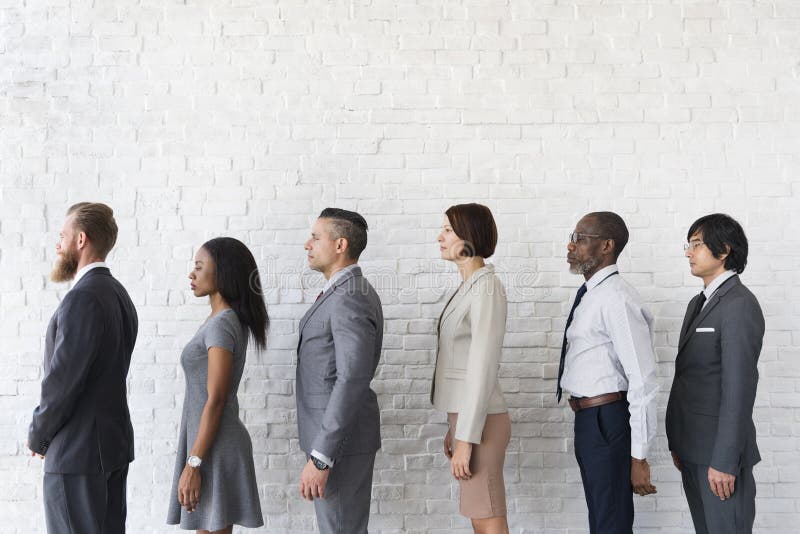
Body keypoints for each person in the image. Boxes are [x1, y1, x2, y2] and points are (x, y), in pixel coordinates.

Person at [27, 202, 138, 534]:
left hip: (78, 455)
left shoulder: (83, 298)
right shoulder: (119, 294)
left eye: (62, 236)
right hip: (111, 448)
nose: (57, 245)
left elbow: (62, 382)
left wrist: (39, 436)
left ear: (81, 239)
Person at [557, 211, 659, 534]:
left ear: (606, 246)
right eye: (572, 238)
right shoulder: (592, 295)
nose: (571, 246)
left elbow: (643, 379)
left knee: (610, 522)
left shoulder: (616, 298)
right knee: (602, 519)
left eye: (579, 239)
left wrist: (639, 456)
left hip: (606, 420)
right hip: (590, 419)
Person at [666, 213, 764, 534]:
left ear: (723, 250)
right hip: (692, 449)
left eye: (696, 244)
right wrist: (678, 441)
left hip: (719, 459)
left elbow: (739, 390)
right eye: (688, 244)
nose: (688, 252)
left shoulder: (739, 304)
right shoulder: (698, 303)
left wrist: (724, 460)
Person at [166, 237, 268, 533]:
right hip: (209, 445)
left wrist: (193, 463)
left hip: (215, 448)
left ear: (223, 272)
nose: (192, 274)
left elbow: (217, 399)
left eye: (199, 267)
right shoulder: (219, 320)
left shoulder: (222, 324)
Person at [295, 208, 384, 534]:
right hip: (334, 440)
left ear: (340, 245)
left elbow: (352, 378)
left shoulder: (349, 296)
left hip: (338, 444)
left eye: (315, 237)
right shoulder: (345, 291)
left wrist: (322, 456)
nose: (308, 244)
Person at [431, 203, 511, 534]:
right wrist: (456, 428)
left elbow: (482, 366)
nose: (440, 237)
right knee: (479, 517)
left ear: (469, 237)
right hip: (469, 420)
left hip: (482, 424)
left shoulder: (486, 288)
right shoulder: (470, 286)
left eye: (448, 230)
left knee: (488, 517)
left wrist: (466, 437)